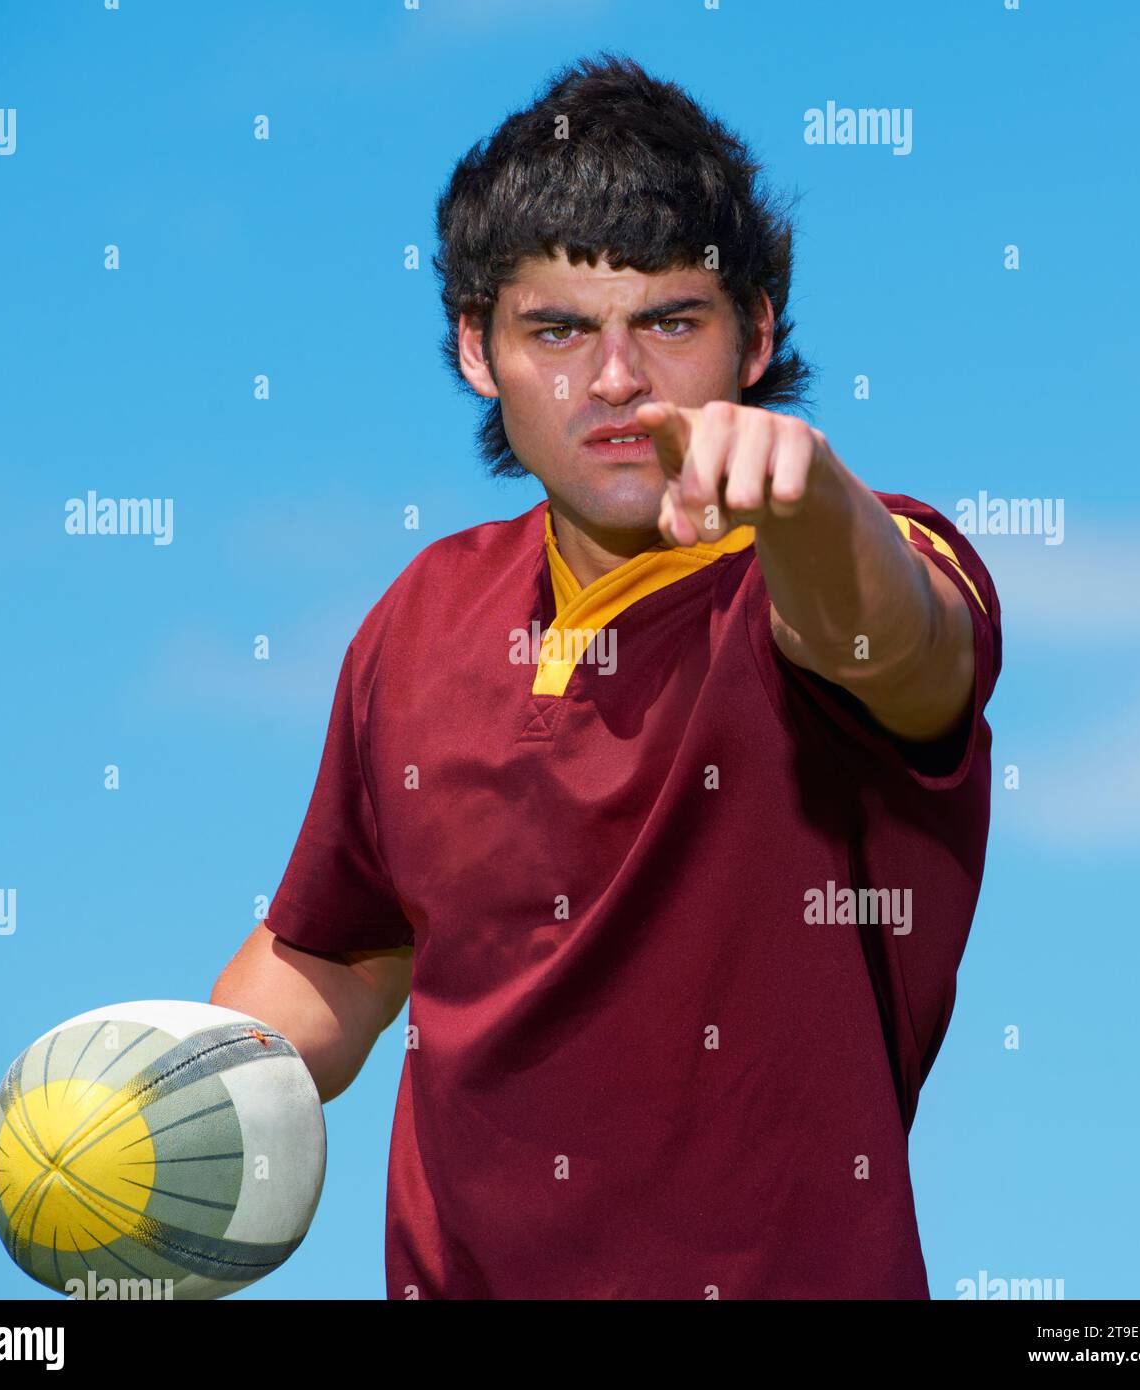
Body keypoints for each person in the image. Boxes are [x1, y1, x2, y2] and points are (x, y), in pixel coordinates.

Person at [211, 52, 1002, 1300]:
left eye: (671, 321)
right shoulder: (418, 616)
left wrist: (806, 501)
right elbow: (342, 957)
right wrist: (157, 1091)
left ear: (757, 333)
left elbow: (899, 647)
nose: (618, 380)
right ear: (477, 349)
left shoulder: (858, 556)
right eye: (558, 330)